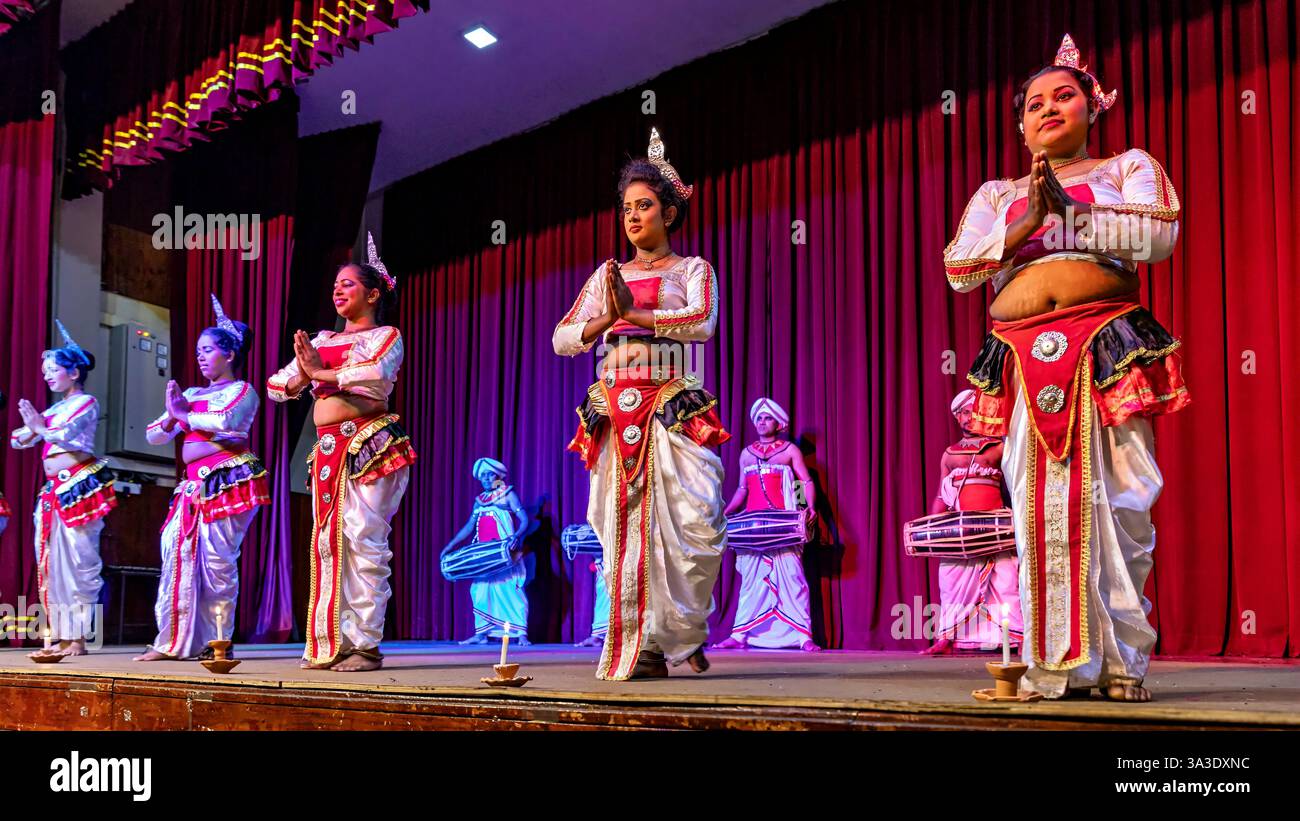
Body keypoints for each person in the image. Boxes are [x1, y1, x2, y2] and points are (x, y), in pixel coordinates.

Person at [943, 35, 1189, 701]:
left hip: (1105, 347)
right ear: (1021, 126)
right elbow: (960, 268)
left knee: (1119, 504)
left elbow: (1160, 234)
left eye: (1064, 96)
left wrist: (1077, 214)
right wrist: (1026, 228)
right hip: (1025, 354)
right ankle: (1055, 662)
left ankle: (1118, 664)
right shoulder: (998, 195)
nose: (1049, 108)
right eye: (1034, 104)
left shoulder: (1126, 168)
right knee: (1034, 508)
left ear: (1093, 106)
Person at [554, 128, 729, 680]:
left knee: (695, 525)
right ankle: (644, 642)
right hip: (613, 407)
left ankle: (682, 631)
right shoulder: (608, 277)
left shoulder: (692, 270)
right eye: (626, 208)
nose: (632, 217)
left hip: (671, 404)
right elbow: (563, 337)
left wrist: (639, 315)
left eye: (644, 206)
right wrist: (609, 316)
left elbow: (702, 322)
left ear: (669, 214)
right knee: (616, 526)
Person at [267, 234, 417, 672]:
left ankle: (365, 645)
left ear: (372, 294)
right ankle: (331, 642)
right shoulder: (322, 339)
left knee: (365, 541)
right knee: (330, 545)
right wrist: (304, 376)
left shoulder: (385, 336)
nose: (337, 290)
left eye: (348, 284)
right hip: (330, 448)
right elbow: (278, 385)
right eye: (336, 284)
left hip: (371, 443)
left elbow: (376, 374)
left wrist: (320, 373)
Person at [135, 296, 269, 661]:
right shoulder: (192, 394)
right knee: (176, 556)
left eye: (208, 349)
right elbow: (154, 435)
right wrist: (173, 414)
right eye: (198, 350)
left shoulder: (242, 391)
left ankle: (217, 643)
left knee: (216, 562)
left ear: (229, 354)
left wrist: (185, 416)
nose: (200, 356)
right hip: (191, 486)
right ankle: (172, 641)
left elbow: (227, 422)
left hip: (229, 480)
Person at [9, 320, 116, 657]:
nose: (47, 375)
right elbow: (18, 439)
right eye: (45, 371)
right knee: (52, 563)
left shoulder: (87, 403)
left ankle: (79, 638)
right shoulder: (55, 408)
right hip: (53, 490)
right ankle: (58, 634)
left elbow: (66, 435)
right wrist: (33, 428)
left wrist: (40, 428)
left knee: (80, 561)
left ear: (74, 373)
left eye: (53, 369)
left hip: (79, 487)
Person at [920, 389, 1022, 655]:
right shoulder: (949, 455)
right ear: (956, 417)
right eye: (963, 413)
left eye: (972, 412)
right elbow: (942, 495)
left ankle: (1019, 639)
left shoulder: (1000, 447)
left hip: (996, 530)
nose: (967, 418)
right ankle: (947, 639)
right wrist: (933, 528)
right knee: (951, 584)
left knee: (1007, 581)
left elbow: (1018, 488)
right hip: (960, 533)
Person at [716, 398, 820, 651]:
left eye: (767, 418)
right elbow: (742, 490)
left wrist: (810, 507)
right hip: (754, 528)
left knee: (792, 577)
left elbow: (805, 481)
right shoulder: (746, 454)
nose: (762, 423)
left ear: (778, 423)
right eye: (759, 419)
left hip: (783, 525)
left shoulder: (789, 450)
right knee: (752, 580)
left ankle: (803, 636)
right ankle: (740, 635)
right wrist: (726, 512)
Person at [443, 458, 531, 646]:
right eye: (482, 475)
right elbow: (469, 527)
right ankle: (481, 634)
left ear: (497, 476)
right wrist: (450, 545)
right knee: (480, 591)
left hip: (504, 552)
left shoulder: (508, 494)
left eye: (488, 474)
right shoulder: (479, 501)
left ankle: (521, 634)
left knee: (510, 589)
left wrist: (516, 536)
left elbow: (524, 520)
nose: (485, 478)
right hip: (483, 556)